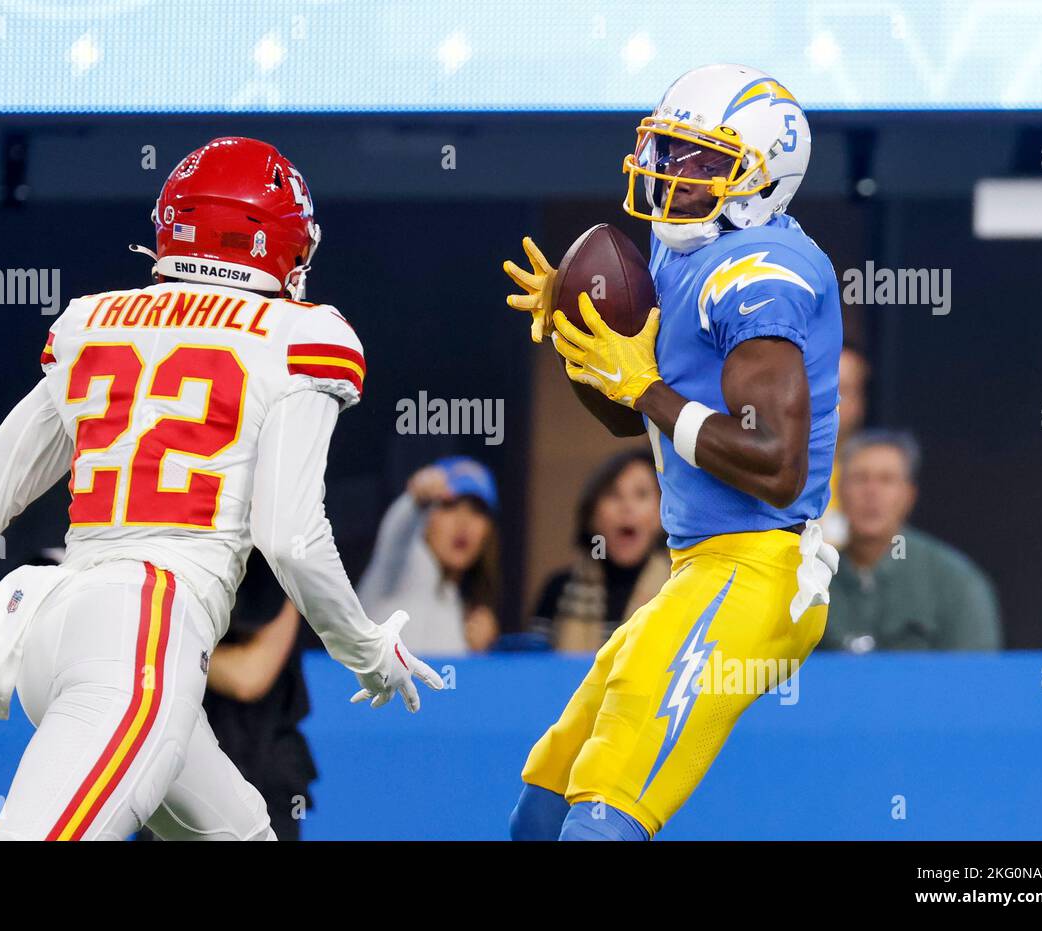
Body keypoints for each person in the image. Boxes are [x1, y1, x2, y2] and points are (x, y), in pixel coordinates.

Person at [0, 137, 443, 841]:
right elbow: (290, 537)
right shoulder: (298, 334)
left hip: (54, 624)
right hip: (145, 631)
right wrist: (365, 648)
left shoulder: (94, 323)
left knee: (243, 830)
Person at [503, 64, 840, 841]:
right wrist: (580, 344)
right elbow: (632, 419)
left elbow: (774, 461)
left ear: (762, 179)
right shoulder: (677, 248)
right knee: (543, 804)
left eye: (703, 161)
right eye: (671, 150)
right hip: (698, 568)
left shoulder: (764, 275)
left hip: (758, 567)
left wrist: (647, 384)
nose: (674, 174)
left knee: (602, 815)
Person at [822, 430, 1001, 652]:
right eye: (860, 479)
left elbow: (976, 677)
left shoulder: (955, 582)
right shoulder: (814, 577)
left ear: (909, 495)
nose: (871, 493)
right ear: (838, 491)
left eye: (886, 480)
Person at [202, 550, 317, 841]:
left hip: (264, 772)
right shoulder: (172, 556)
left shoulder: (281, 557)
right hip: (181, 765)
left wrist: (172, 645)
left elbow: (249, 676)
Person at [357, 457, 500, 655]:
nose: (463, 523)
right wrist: (416, 499)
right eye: (449, 506)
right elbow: (395, 539)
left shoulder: (459, 602)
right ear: (426, 517)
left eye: (476, 511)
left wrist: (477, 655)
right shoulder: (401, 571)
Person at [530, 450, 669, 652]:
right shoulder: (557, 591)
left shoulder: (679, 590)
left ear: (661, 514)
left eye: (641, 494)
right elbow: (532, 672)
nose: (627, 506)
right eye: (613, 494)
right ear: (592, 515)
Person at [816, 344, 870, 547]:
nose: (832, 400)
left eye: (844, 390)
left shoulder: (875, 474)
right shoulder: (771, 463)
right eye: (822, 387)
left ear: (861, 402)